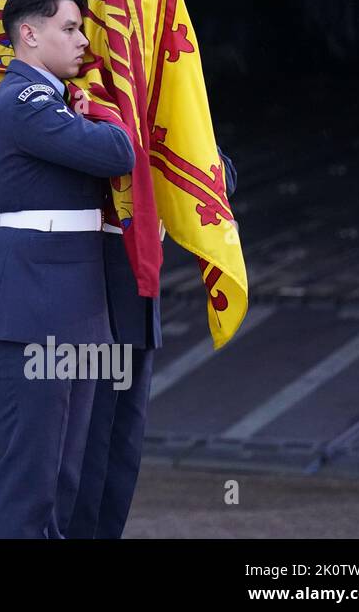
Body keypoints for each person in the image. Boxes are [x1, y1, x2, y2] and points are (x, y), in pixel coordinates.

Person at [0, 0, 135, 539]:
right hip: (31, 313)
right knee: (31, 481)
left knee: (62, 476)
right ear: (29, 34)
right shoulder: (24, 99)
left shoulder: (55, 102)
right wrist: (106, 119)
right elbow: (117, 152)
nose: (83, 41)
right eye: (70, 28)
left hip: (69, 307)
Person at [68, 147, 238, 538]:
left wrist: (174, 143)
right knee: (82, 461)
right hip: (88, 289)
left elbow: (221, 178)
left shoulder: (158, 111)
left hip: (137, 293)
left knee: (119, 460)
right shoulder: (75, 99)